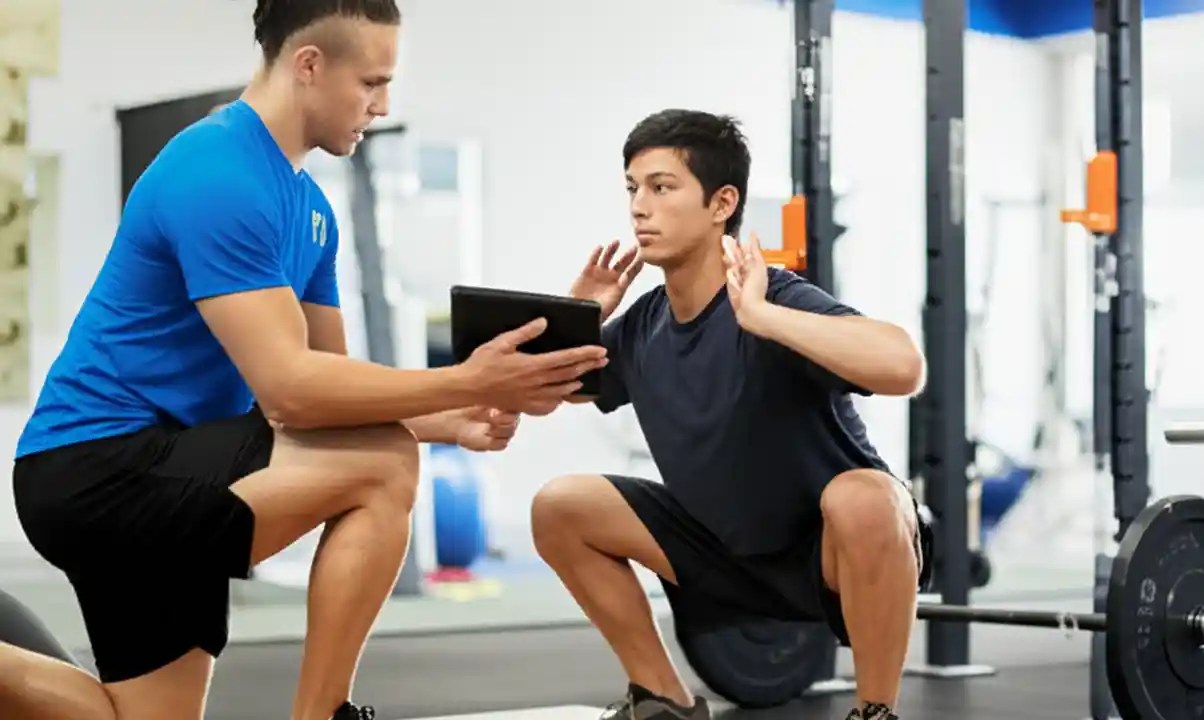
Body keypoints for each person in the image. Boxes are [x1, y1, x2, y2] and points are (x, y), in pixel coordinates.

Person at [2, 2, 606, 720]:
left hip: (170, 465)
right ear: (310, 65)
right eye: (372, 83)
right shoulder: (215, 170)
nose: (382, 107)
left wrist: (463, 415)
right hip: (98, 465)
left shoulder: (310, 210)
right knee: (384, 464)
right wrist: (467, 378)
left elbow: (336, 399)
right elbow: (293, 394)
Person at [531, 109, 930, 720]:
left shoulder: (776, 298)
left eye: (662, 188)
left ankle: (875, 711)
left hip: (827, 556)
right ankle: (663, 699)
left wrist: (765, 319)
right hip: (719, 549)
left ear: (722, 203)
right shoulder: (644, 326)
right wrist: (577, 315)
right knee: (561, 507)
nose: (640, 207)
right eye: (633, 189)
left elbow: (905, 366)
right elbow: (536, 390)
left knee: (866, 496)